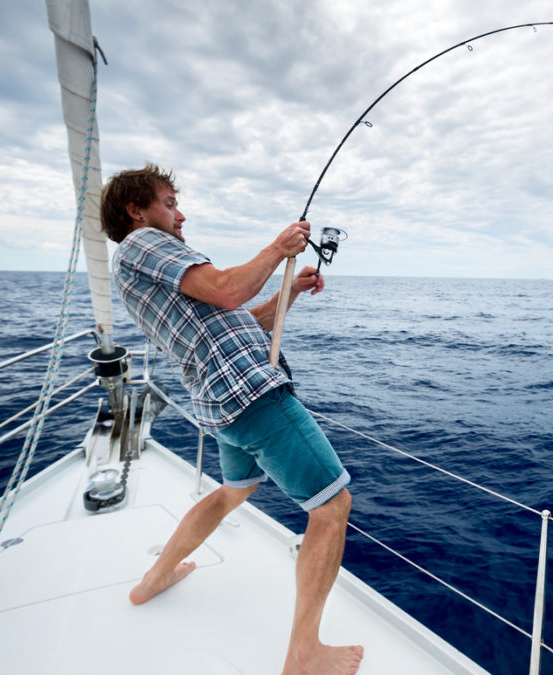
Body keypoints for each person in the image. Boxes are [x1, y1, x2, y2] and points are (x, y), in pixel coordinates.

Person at [100, 163, 363, 675]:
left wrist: (287, 291)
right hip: (253, 396)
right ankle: (305, 654)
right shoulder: (142, 245)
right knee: (332, 506)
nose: (180, 214)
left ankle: (154, 580)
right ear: (137, 211)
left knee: (231, 492)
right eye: (169, 202)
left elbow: (239, 319)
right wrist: (278, 247)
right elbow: (226, 289)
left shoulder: (143, 268)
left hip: (222, 403)